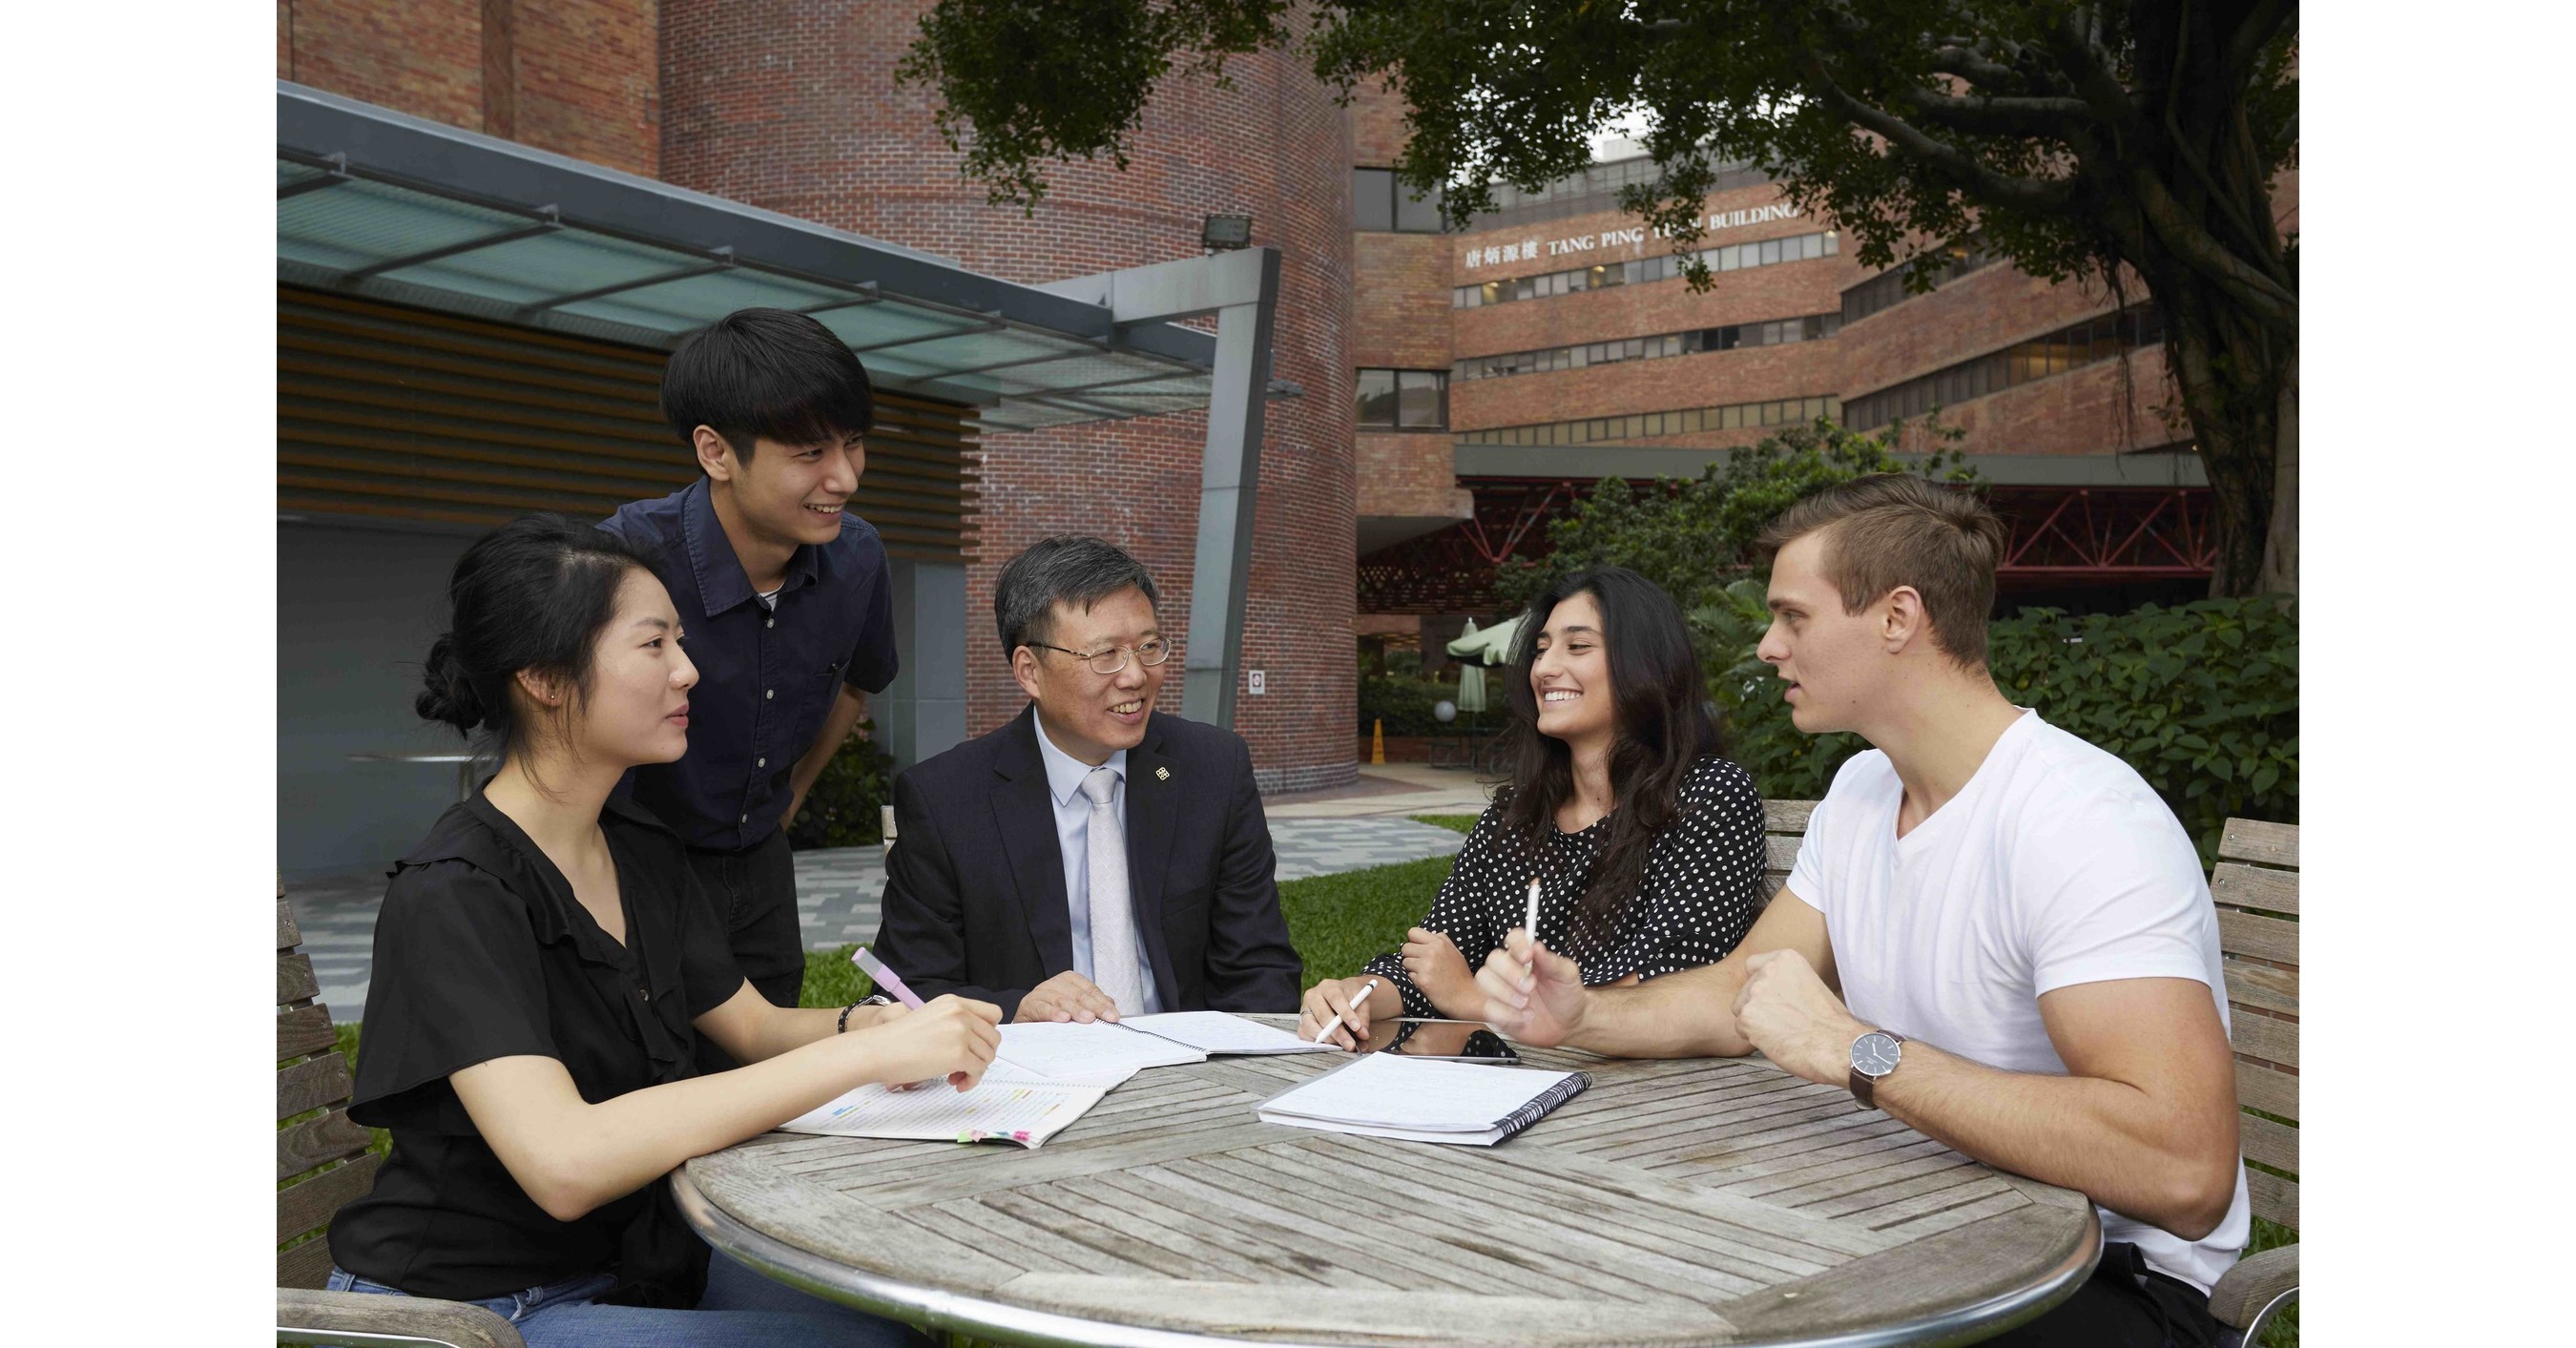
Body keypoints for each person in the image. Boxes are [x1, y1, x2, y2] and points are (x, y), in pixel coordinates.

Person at [1473, 476, 2248, 1346]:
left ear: (1896, 617)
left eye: (1793, 617)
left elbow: (2186, 1168)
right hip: (1921, 1218)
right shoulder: (1862, 790)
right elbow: (1748, 990)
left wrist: (1857, 1051)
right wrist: (1581, 1013)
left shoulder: (2081, 821)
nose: (1767, 647)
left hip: (2107, 1278)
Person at [327, 515, 1000, 1345]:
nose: (689, 670)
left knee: (902, 1299)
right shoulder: (458, 895)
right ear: (543, 677)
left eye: (680, 640)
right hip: (478, 1313)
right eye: (654, 646)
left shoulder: (637, 847)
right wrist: (858, 1057)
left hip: (640, 1265)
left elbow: (750, 1024)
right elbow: (565, 1161)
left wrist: (862, 1022)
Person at [600, 308, 899, 1069]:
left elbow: (859, 685)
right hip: (633, 864)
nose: (846, 477)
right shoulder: (624, 557)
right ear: (716, 451)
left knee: (765, 1081)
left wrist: (793, 791)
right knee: (646, 1074)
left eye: (854, 443)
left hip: (760, 863)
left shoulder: (857, 558)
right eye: (811, 453)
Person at [1298, 567, 1765, 1047]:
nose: (1543, 668)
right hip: (1507, 1088)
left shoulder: (1708, 795)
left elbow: (1674, 977)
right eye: (1541, 649)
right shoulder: (1516, 816)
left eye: (1577, 646)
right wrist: (1358, 996)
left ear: (1646, 665)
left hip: (1648, 1101)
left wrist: (1473, 1000)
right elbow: (1436, 956)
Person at [870, 535, 1301, 1023]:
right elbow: (906, 990)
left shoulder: (1213, 769)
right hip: (1031, 1078)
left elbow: (1260, 969)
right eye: (1105, 655)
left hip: (1192, 1068)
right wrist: (1017, 1010)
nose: (1136, 676)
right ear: (1030, 671)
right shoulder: (946, 799)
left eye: (1148, 647)